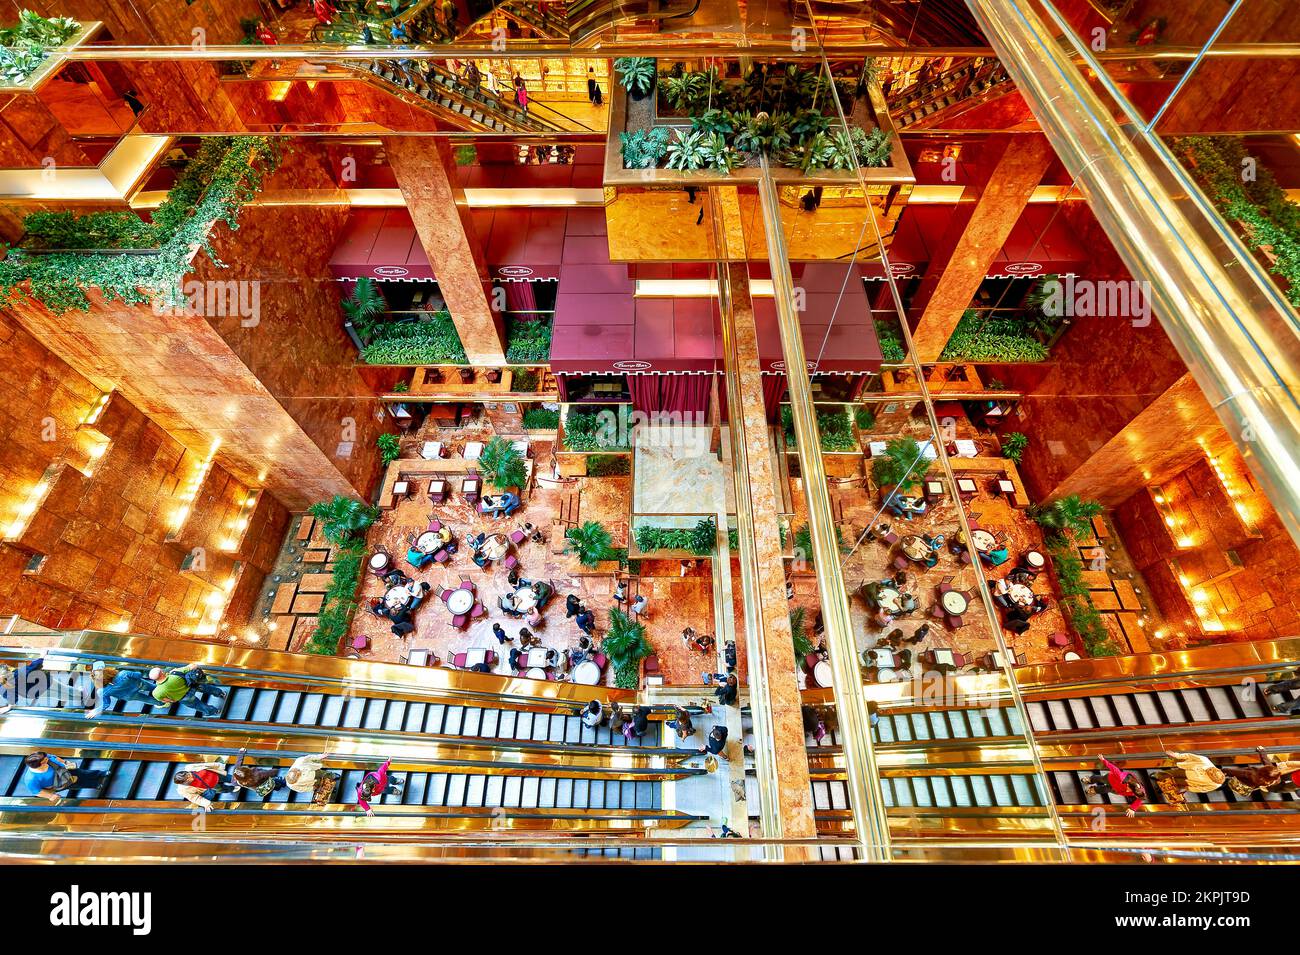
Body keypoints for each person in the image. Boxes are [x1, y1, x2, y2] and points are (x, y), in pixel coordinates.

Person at [23, 751, 108, 802]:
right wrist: (50, 796)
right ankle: (95, 785)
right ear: (40, 764)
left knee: (85, 773)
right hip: (62, 782)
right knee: (80, 784)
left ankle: (101, 773)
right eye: (45, 760)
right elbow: (37, 791)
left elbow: (55, 757)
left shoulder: (45, 757)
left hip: (67, 769)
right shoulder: (31, 779)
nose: (47, 758)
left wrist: (65, 762)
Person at [148, 662, 226, 717]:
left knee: (198, 705)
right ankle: (221, 693)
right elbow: (193, 666)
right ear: (162, 672)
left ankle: (214, 711)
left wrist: (174, 700)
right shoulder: (175, 673)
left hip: (184, 698)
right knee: (207, 688)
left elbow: (166, 700)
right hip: (192, 685)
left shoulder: (156, 693)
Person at [1218, 747, 1300, 797]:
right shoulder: (1274, 781)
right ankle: (1220, 786)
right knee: (1226, 787)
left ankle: (1218, 785)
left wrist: (1261, 751)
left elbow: (1230, 771)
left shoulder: (1251, 774)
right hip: (1246, 787)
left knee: (1224, 784)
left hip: (1236, 782)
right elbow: (1266, 762)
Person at [1153, 751, 1225, 804]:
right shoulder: (1205, 761)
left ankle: (1162, 788)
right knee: (1170, 773)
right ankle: (1158, 775)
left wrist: (1190, 788)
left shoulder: (1216, 784)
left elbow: (1203, 789)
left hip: (1189, 782)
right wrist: (1176, 755)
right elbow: (1189, 756)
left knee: (1175, 785)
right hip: (1185, 770)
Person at [88, 663, 158, 717]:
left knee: (147, 699)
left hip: (130, 696)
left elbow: (106, 704)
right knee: (154, 687)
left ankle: (162, 703)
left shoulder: (102, 691)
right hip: (139, 684)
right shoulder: (124, 673)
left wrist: (96, 711)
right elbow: (139, 675)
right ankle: (165, 692)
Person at [173, 762, 237, 811]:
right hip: (211, 786)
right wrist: (206, 804)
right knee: (222, 788)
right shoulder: (183, 790)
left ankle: (237, 780)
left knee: (229, 778)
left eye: (189, 775)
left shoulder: (190, 767)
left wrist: (218, 765)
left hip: (215, 775)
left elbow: (206, 765)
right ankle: (232, 788)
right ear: (184, 783)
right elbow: (195, 798)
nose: (191, 777)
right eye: (187, 779)